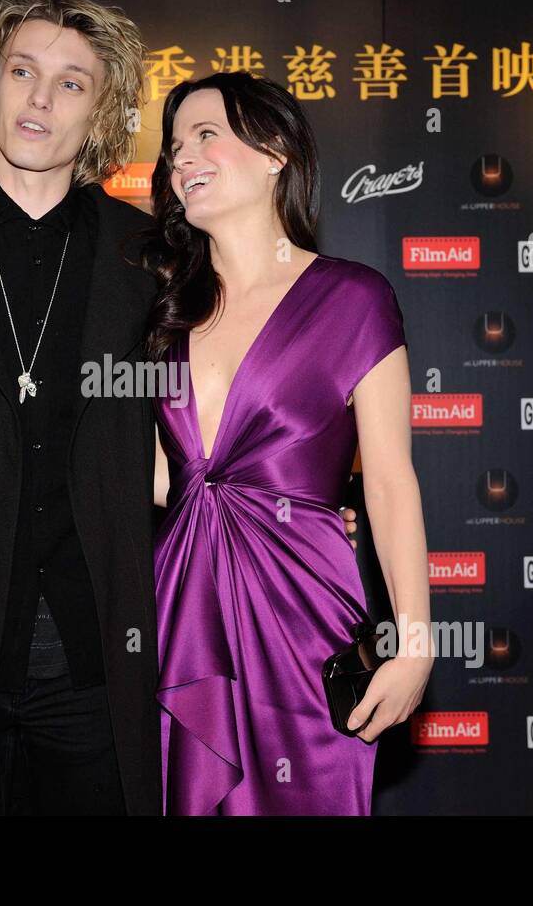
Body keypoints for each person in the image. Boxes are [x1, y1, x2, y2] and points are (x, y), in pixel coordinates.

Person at [0, 0, 364, 815]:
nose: (41, 97)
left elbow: (216, 426)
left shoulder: (150, 259)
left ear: (101, 113)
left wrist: (302, 510)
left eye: (72, 83)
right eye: (23, 72)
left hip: (104, 662)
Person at [146, 72, 433, 815]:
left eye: (207, 135)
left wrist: (415, 638)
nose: (183, 159)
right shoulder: (166, 317)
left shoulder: (353, 299)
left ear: (275, 151)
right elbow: (154, 480)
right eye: (174, 147)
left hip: (303, 611)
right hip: (180, 607)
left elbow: (390, 484)